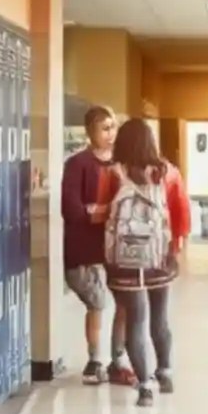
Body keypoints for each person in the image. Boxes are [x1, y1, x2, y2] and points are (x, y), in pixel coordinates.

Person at [95, 119, 192, 407]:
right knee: (160, 317)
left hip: (124, 262)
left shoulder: (113, 173)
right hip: (158, 258)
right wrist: (174, 249)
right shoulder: (168, 172)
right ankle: (165, 371)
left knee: (135, 320)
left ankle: (145, 386)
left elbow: (101, 214)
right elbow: (181, 214)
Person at [61, 105, 136, 386]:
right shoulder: (78, 164)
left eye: (113, 127)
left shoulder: (122, 163)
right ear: (90, 131)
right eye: (104, 128)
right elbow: (72, 208)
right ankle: (95, 360)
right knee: (96, 301)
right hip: (85, 246)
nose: (110, 134)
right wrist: (101, 213)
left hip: (117, 244)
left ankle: (119, 358)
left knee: (125, 301)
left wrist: (100, 211)